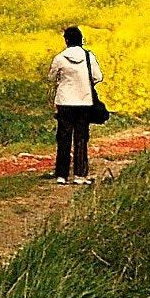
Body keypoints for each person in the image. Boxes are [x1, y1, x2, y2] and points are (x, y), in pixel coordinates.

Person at [47, 26, 103, 186]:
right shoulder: (88, 56)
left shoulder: (59, 58)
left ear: (66, 40)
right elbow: (98, 77)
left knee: (63, 138)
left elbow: (51, 77)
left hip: (64, 102)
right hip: (84, 102)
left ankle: (61, 175)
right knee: (81, 138)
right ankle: (79, 175)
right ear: (81, 40)